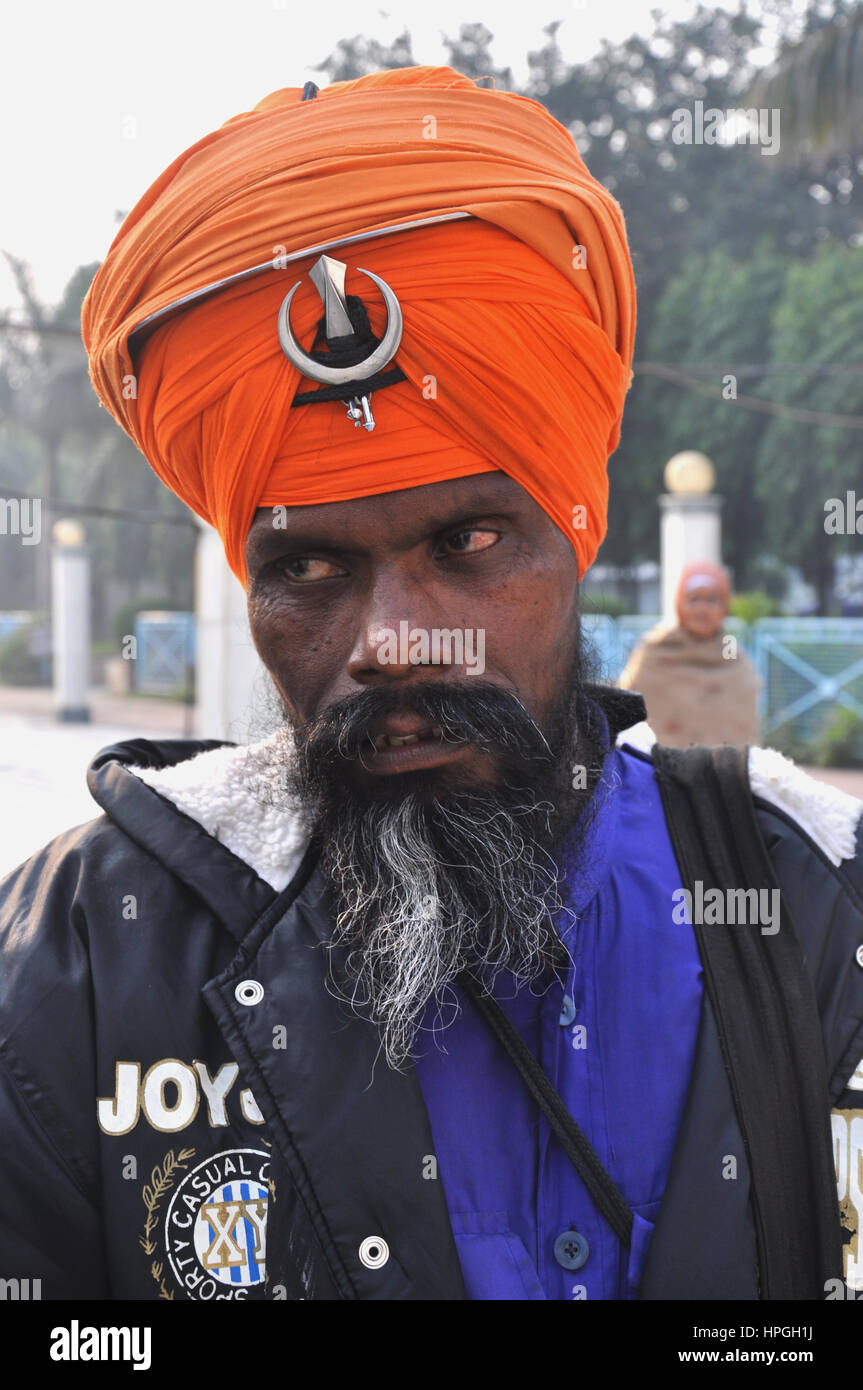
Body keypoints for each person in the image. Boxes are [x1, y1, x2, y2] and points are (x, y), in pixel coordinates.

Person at [1, 66, 862, 1304]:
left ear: (575, 540)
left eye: (465, 544)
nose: (395, 643)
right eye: (306, 565)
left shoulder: (809, 905)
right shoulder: (79, 958)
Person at [618, 561, 762, 747]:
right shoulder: (657, 647)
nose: (702, 608)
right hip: (657, 768)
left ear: (724, 606)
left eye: (711, 600)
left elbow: (743, 715)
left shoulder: (731, 651)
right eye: (693, 599)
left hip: (724, 771)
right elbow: (627, 705)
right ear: (679, 603)